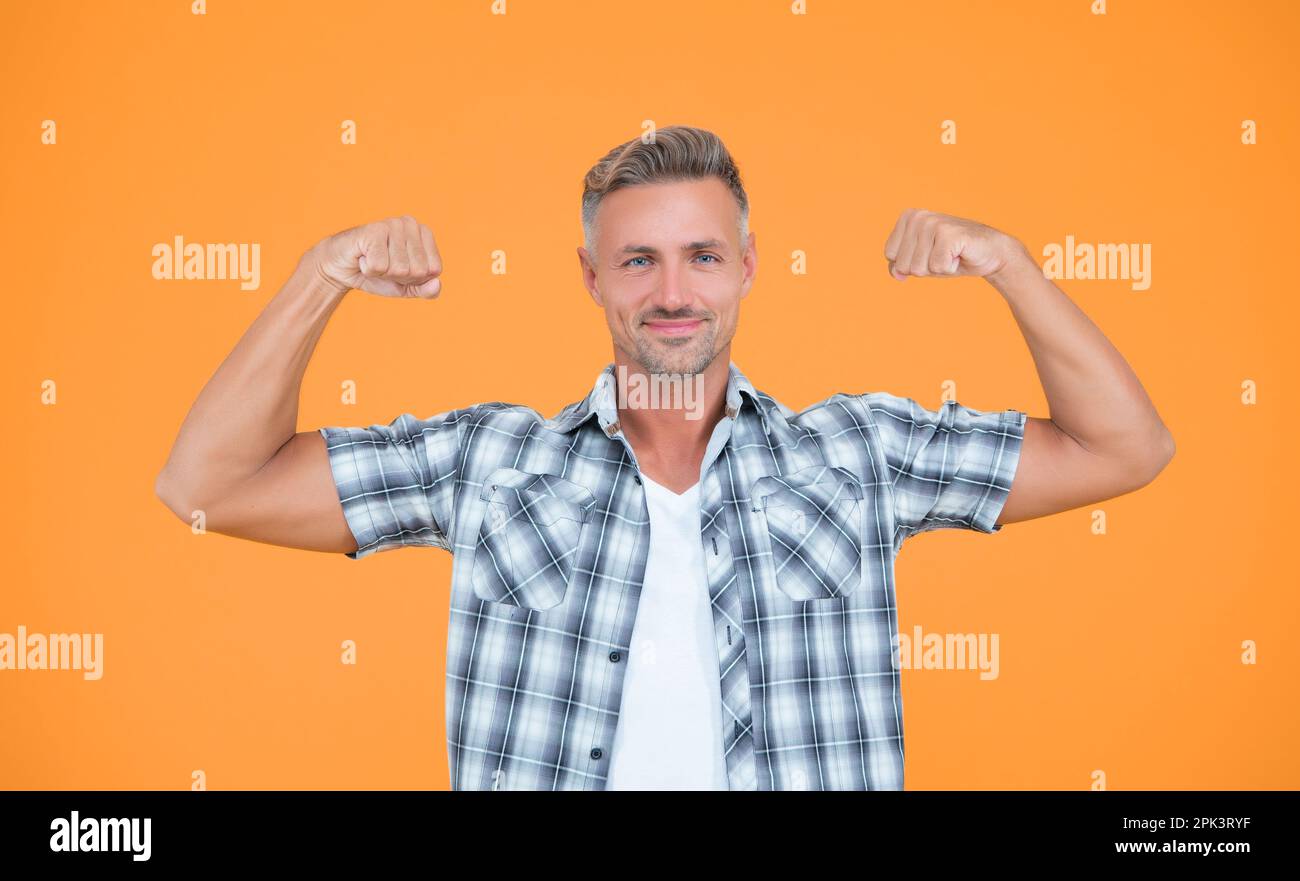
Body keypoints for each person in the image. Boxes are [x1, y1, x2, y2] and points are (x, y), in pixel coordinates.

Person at [155, 125, 1174, 791]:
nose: (672, 290)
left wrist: (1009, 266)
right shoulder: (488, 463)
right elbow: (208, 485)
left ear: (748, 267)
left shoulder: (858, 453)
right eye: (638, 259)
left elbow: (1123, 447)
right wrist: (317, 275)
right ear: (591, 275)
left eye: (703, 255)